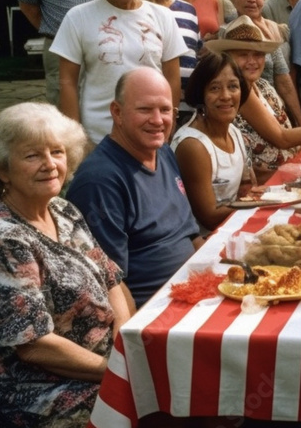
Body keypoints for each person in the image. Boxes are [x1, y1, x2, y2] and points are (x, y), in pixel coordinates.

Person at [0, 102, 131, 428]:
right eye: (32, 156)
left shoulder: (62, 209)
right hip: (42, 394)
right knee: (169, 410)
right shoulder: (4, 242)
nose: (50, 164)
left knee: (186, 389)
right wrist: (116, 370)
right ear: (2, 170)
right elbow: (34, 345)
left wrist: (125, 343)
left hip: (102, 360)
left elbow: (111, 278)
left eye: (57, 152)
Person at [66, 68, 200, 309]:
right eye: (145, 109)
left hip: (196, 290)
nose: (158, 120)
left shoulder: (163, 151)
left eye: (166, 109)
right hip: (155, 312)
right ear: (116, 112)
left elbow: (190, 234)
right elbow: (109, 285)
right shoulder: (100, 181)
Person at [50, 0, 187, 145]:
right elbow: (67, 81)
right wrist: (75, 136)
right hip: (97, 134)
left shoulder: (163, 17)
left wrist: (168, 124)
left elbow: (172, 78)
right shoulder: (78, 17)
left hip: (150, 131)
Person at [206, 18, 301, 179]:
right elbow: (282, 138)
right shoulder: (236, 92)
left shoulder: (263, 85)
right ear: (228, 58)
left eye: (258, 54)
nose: (252, 61)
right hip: (262, 179)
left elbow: (287, 134)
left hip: (288, 168)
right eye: (243, 55)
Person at [171, 53, 249, 233]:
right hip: (204, 242)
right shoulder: (193, 145)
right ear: (201, 95)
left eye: (233, 87)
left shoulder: (233, 132)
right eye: (214, 88)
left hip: (232, 227)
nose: (226, 96)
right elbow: (208, 217)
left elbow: (245, 185)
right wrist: (259, 204)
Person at [227, 0, 301, 126]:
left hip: (275, 106)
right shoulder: (228, 33)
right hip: (245, 111)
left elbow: (285, 81)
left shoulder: (278, 30)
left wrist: (300, 122)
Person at [139, 0, 201, 125]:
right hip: (153, 108)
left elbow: (195, 52)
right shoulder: (139, 11)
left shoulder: (188, 9)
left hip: (189, 106)